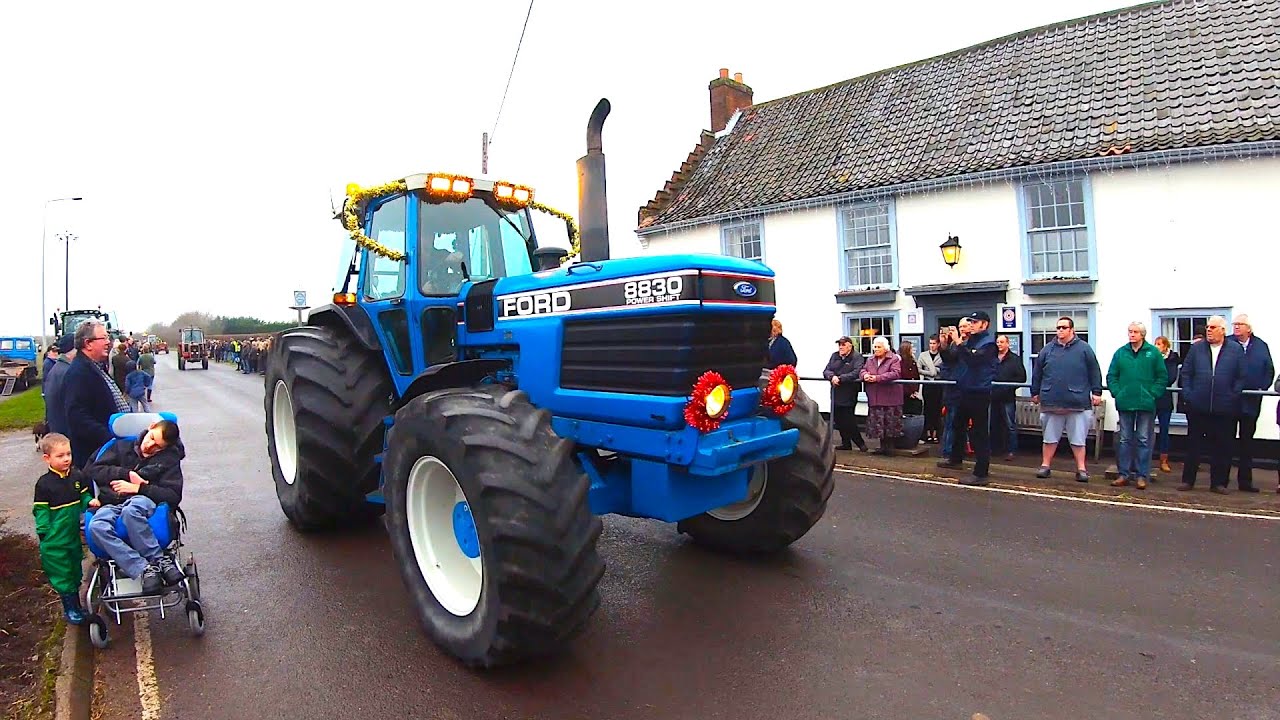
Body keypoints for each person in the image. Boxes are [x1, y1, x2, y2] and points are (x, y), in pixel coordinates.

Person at [85, 419, 187, 595]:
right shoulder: (119, 446)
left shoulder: (168, 460)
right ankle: (144, 568)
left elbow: (172, 495)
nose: (149, 446)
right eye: (151, 438)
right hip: (112, 501)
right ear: (151, 427)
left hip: (143, 500)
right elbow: (94, 470)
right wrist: (126, 474)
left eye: (157, 447)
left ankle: (158, 559)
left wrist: (139, 488)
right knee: (96, 526)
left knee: (131, 511)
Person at [1178, 316, 1246, 494]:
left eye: (1213, 327)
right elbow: (1186, 373)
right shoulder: (1197, 349)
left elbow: (1241, 376)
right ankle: (1188, 481)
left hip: (1224, 407)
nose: (1209, 330)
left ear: (1223, 330)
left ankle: (1219, 483)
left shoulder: (1235, 349)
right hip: (1198, 406)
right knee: (1193, 445)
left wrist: (1233, 395)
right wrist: (1189, 394)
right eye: (1208, 327)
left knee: (1222, 447)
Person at [1030, 316, 1103, 483]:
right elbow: (1037, 372)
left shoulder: (1084, 349)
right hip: (1051, 401)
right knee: (1049, 438)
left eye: (1064, 327)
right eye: (1058, 328)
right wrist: (1035, 392)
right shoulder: (1047, 350)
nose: (1060, 330)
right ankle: (1045, 466)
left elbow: (1094, 371)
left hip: (1077, 403)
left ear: (1072, 330)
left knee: (1078, 440)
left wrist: (1097, 392)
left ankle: (1081, 469)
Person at [33, 433, 94, 624]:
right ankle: (70, 609)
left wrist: (90, 501)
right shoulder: (44, 484)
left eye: (68, 454)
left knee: (75, 569)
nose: (66, 459)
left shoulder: (77, 476)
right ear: (47, 458)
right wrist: (44, 532)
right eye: (60, 456)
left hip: (72, 536)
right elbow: (41, 510)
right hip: (54, 539)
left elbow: (83, 496)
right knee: (62, 573)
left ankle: (77, 604)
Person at [937, 311, 999, 485]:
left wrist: (958, 342)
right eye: (970, 322)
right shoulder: (969, 342)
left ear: (984, 324)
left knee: (979, 432)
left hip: (979, 391)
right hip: (964, 389)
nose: (971, 325)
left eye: (975, 322)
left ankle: (981, 472)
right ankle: (955, 459)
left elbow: (974, 360)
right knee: (958, 425)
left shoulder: (989, 344)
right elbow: (951, 360)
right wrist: (944, 345)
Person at [1106, 322, 1168, 490]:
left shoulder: (1153, 353)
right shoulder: (1121, 353)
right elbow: (1112, 375)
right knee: (1124, 439)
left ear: (1142, 334)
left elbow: (1162, 377)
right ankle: (1123, 474)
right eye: (1130, 331)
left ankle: (1142, 475)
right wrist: (1117, 392)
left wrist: (1153, 393)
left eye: (1135, 332)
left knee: (1143, 439)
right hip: (1125, 403)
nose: (1132, 334)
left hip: (1145, 404)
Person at [63, 322, 132, 469]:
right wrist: (111, 438)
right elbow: (77, 418)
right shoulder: (78, 373)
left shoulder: (96, 367)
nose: (108, 342)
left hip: (107, 452)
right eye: (104, 338)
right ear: (88, 343)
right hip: (96, 457)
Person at [1228, 314, 1273, 492]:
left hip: (1251, 402)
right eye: (1235, 324)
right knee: (1226, 440)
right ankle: (1220, 481)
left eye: (1240, 324)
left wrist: (1261, 387)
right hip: (1230, 400)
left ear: (1249, 328)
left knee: (1247, 442)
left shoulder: (1261, 346)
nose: (1236, 327)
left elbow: (1268, 370)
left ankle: (1245, 482)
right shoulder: (1228, 343)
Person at [823, 336, 868, 452]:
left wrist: (841, 378)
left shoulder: (857, 357)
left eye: (843, 345)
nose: (840, 347)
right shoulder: (834, 356)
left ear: (850, 346)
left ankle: (860, 443)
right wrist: (832, 376)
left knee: (849, 419)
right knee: (838, 419)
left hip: (849, 391)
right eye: (839, 345)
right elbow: (826, 370)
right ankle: (846, 443)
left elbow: (856, 372)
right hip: (836, 392)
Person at [861, 337, 904, 455]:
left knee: (890, 423)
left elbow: (895, 373)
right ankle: (882, 447)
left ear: (885, 348)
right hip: (875, 396)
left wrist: (877, 378)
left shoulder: (894, 359)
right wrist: (865, 375)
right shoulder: (870, 359)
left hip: (890, 397)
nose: (876, 349)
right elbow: (862, 370)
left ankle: (890, 448)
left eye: (879, 347)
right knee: (878, 423)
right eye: (875, 347)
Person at [991, 335, 1027, 460]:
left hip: (1007, 397)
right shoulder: (992, 359)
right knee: (993, 424)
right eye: (997, 342)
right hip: (992, 396)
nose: (999, 344)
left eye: (1002, 342)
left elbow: (1022, 378)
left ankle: (1011, 450)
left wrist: (1008, 387)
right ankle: (995, 449)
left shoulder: (1015, 359)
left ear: (1007, 344)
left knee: (1010, 425)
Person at [1151, 336, 1181, 475]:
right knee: (1147, 429)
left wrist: (1157, 379)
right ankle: (1145, 458)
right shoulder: (1151, 358)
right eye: (1155, 344)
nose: (1156, 346)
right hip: (1152, 398)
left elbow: (1170, 378)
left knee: (1164, 430)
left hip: (1164, 399)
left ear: (1165, 346)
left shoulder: (1172, 360)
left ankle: (1164, 460)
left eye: (1159, 344)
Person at [43, 334, 77, 435]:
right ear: (73, 349)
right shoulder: (67, 371)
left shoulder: (58, 368)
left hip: (58, 427)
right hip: (65, 430)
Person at [919, 335, 943, 443]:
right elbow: (919, 369)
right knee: (927, 409)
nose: (932, 346)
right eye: (930, 343)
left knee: (937, 410)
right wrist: (930, 372)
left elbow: (944, 369)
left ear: (938, 344)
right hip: (927, 383)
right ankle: (927, 433)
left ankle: (936, 434)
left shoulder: (942, 355)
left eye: (934, 343)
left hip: (938, 384)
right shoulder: (923, 355)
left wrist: (935, 370)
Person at [898, 340, 922, 416]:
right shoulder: (899, 363)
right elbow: (901, 378)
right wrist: (908, 393)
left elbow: (916, 376)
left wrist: (915, 391)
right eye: (911, 348)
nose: (912, 350)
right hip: (903, 395)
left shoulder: (913, 361)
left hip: (913, 393)